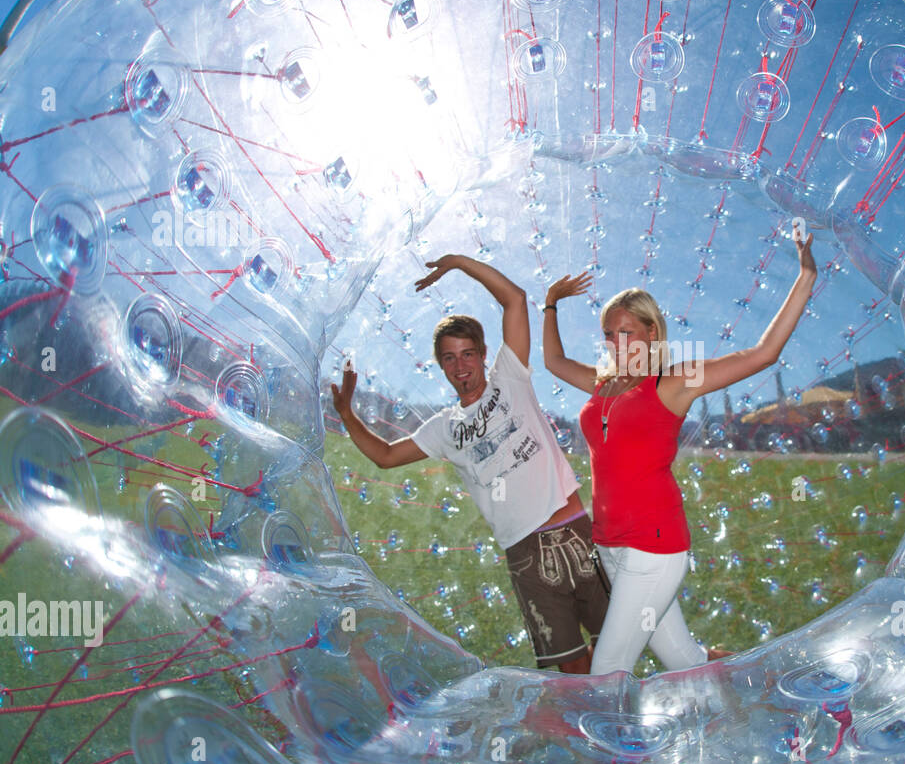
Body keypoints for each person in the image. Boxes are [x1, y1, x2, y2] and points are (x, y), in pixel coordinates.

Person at [543, 221, 817, 676]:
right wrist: (551, 302)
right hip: (609, 545)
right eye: (609, 334)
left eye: (626, 332)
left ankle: (617, 749)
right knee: (685, 661)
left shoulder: (671, 382)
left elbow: (762, 353)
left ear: (652, 333)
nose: (615, 343)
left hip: (653, 548)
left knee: (606, 674)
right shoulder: (602, 383)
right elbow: (553, 361)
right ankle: (776, 683)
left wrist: (805, 276)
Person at [331, 254, 609, 675]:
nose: (460, 366)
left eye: (467, 354)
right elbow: (386, 457)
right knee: (573, 671)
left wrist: (459, 263)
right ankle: (605, 732)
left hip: (575, 533)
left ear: (483, 355)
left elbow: (514, 300)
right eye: (449, 358)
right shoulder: (444, 428)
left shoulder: (509, 378)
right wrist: (348, 415)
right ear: (441, 366)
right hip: (525, 555)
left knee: (618, 648)